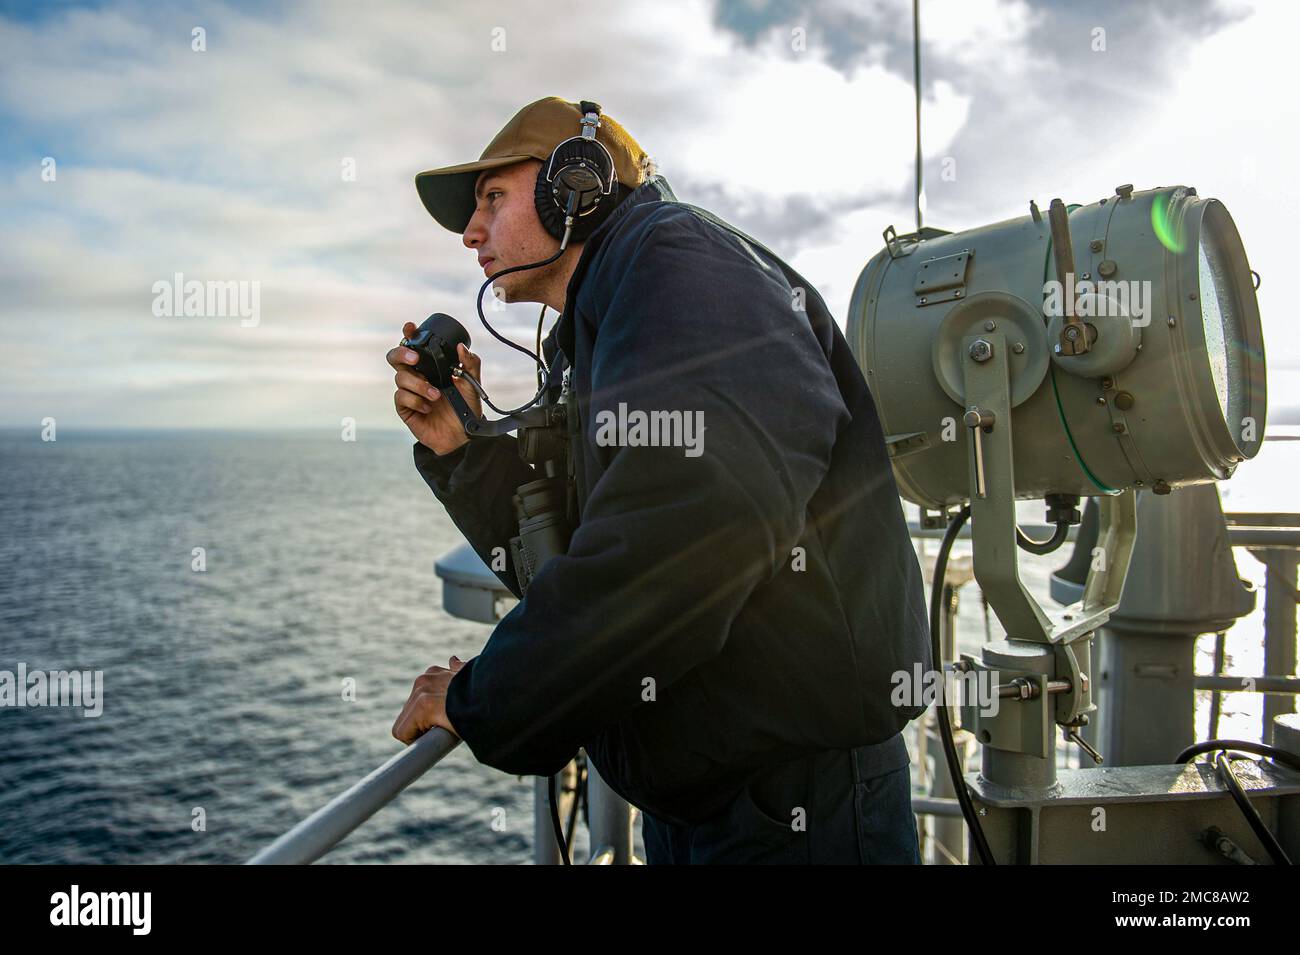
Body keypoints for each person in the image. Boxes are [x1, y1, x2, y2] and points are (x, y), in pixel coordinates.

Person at [387, 96, 930, 864]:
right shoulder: (606, 322)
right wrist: (460, 449)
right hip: (713, 806)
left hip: (796, 811)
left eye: (491, 198)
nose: (470, 232)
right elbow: (576, 552)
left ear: (572, 185)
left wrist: (487, 700)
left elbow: (678, 545)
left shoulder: (682, 271)